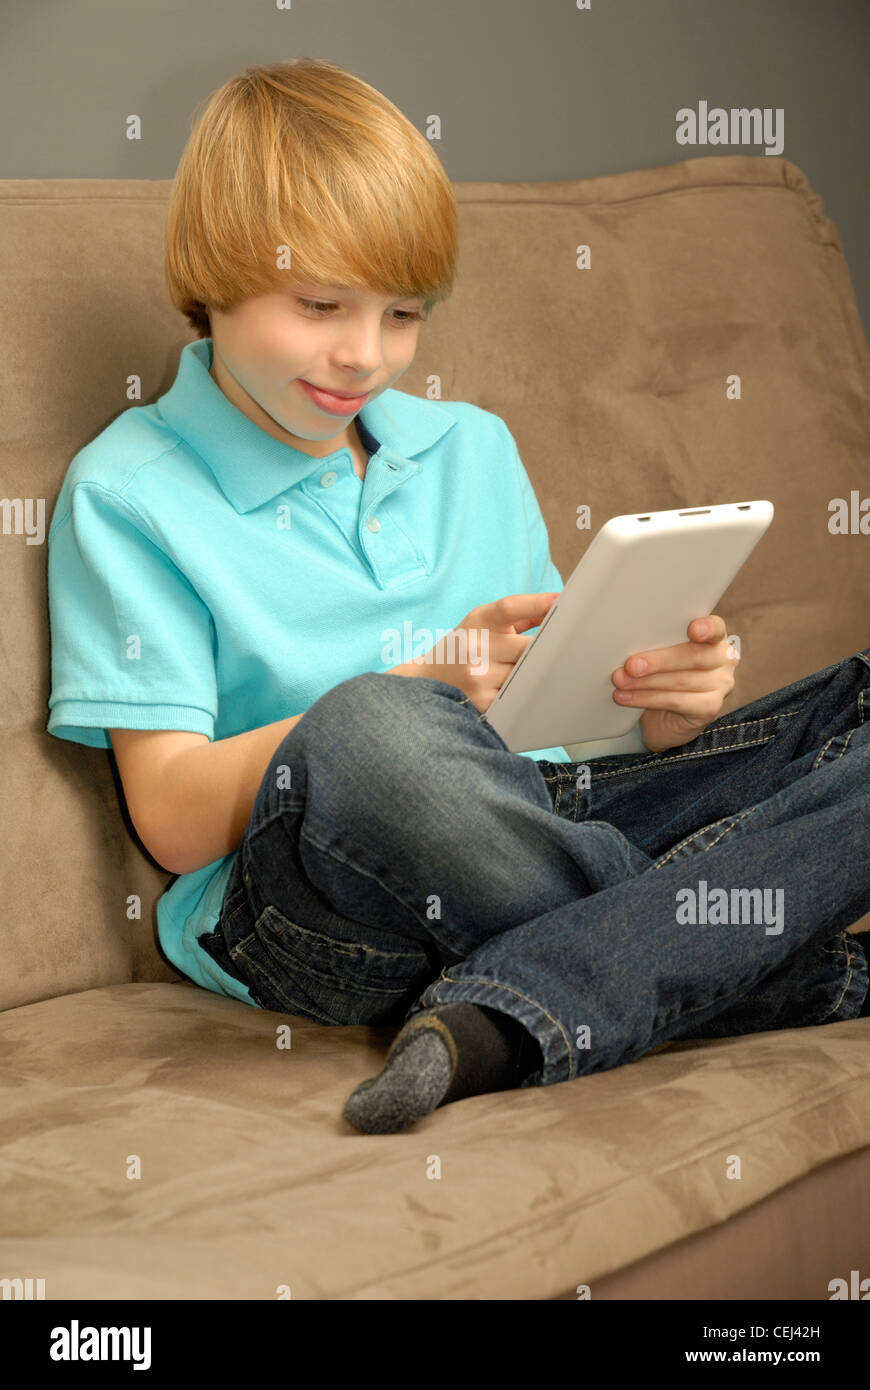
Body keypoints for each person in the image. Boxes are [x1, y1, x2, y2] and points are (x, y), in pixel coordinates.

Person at [45, 59, 870, 1137]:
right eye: (320, 305)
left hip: (537, 819)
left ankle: (515, 1004)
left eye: (403, 315)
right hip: (316, 898)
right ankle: (767, 959)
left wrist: (654, 716)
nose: (365, 355)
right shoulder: (130, 493)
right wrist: (416, 683)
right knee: (371, 729)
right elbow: (169, 820)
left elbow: (558, 742)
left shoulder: (471, 448)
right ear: (212, 275)